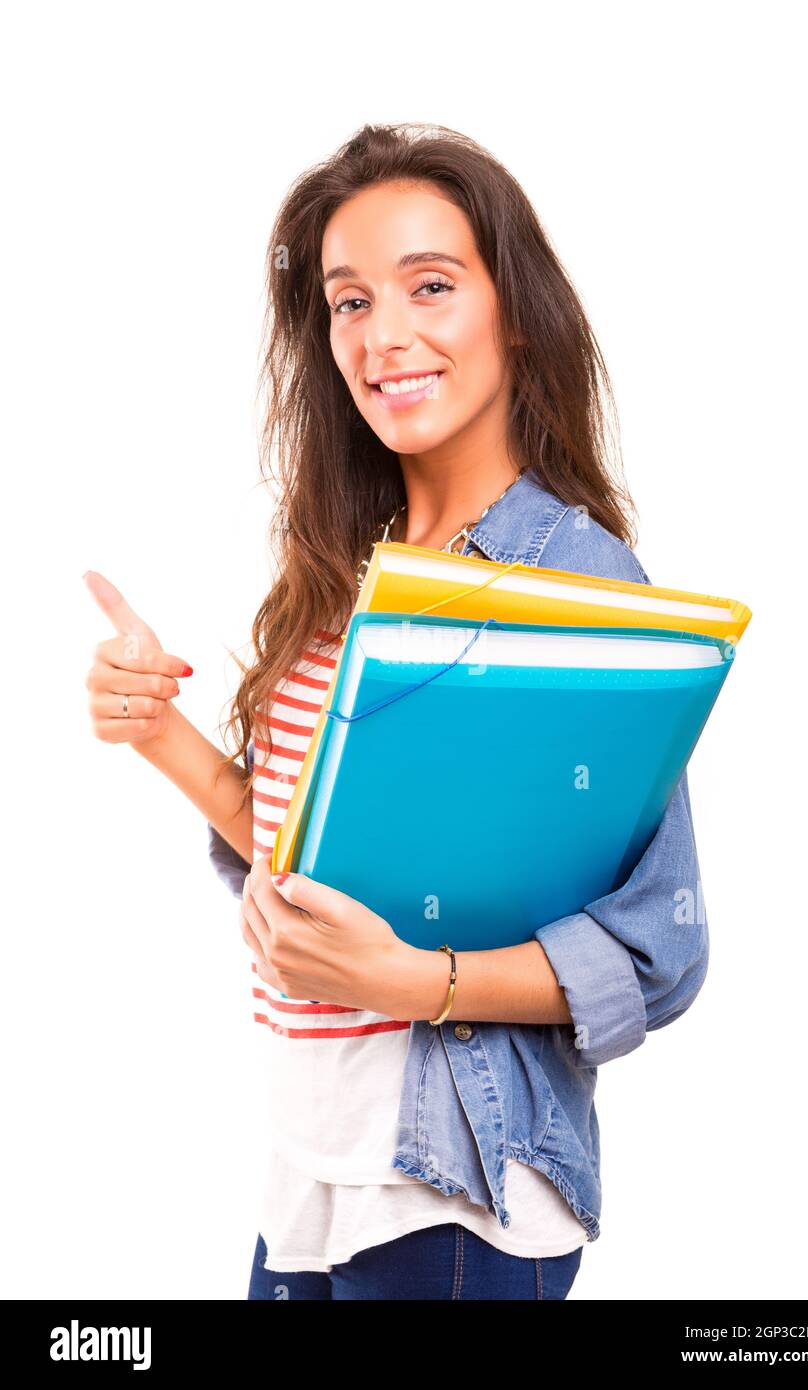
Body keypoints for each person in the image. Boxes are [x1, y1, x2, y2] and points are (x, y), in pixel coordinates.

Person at [84, 121, 708, 1301]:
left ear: (510, 310)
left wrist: (420, 983)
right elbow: (311, 856)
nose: (384, 335)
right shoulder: (344, 567)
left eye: (430, 285)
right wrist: (158, 730)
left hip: (456, 1195)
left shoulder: (574, 586)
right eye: (349, 301)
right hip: (308, 1173)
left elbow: (659, 948)